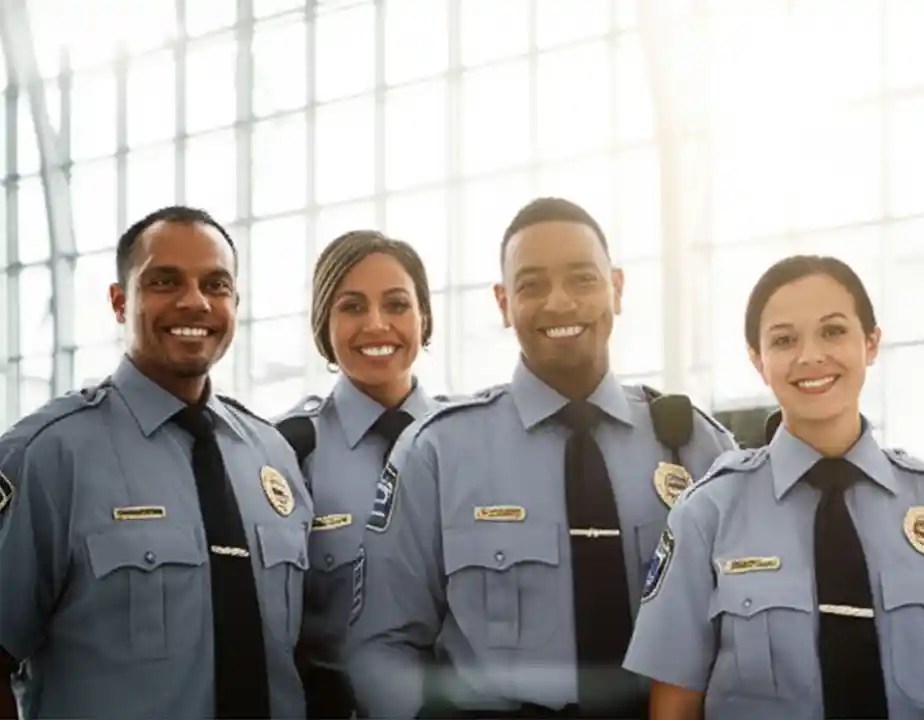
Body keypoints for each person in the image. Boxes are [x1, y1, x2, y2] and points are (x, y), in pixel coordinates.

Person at [346, 197, 738, 718]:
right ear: (503, 302)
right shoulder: (438, 452)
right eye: (531, 285)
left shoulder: (699, 448)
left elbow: (740, 637)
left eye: (582, 279)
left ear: (616, 288)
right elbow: (381, 642)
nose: (559, 303)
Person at [624, 255, 924, 720]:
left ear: (871, 343)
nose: (810, 355)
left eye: (833, 331)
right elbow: (674, 706)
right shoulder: (708, 514)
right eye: (783, 340)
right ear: (758, 360)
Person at [0, 205, 312, 719]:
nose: (195, 302)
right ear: (120, 302)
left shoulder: (273, 457)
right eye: (165, 281)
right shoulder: (46, 457)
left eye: (216, 285)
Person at [274, 230, 446, 718]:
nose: (376, 324)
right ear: (323, 325)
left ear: (424, 318)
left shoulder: (468, 445)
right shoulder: (287, 452)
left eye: (397, 304)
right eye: (351, 307)